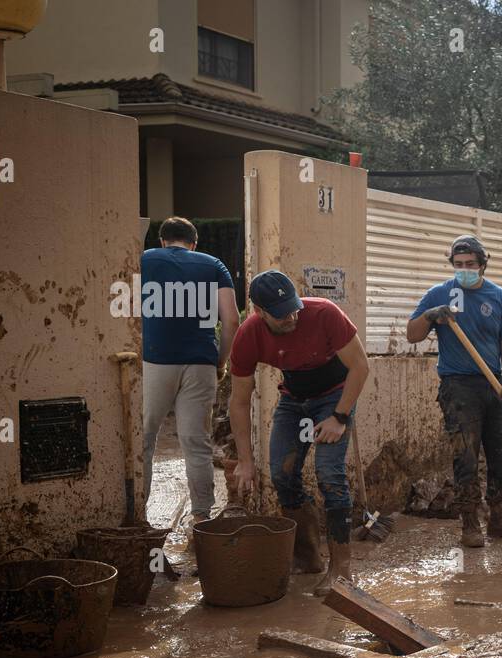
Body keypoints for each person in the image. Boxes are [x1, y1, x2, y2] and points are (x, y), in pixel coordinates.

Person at [229, 270, 370, 595]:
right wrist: (245, 461)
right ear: (259, 312)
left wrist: (339, 416)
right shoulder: (249, 335)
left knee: (329, 474)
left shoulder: (323, 313)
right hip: (294, 400)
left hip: (336, 396)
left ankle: (341, 570)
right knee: (282, 473)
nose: (292, 317)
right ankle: (308, 558)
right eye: (281, 314)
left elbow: (360, 366)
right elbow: (238, 402)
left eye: (294, 308)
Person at [407, 236, 502, 547]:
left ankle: (500, 518)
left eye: (471, 265)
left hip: (494, 385)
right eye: (458, 265)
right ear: (452, 264)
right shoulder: (439, 294)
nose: (464, 270)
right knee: (464, 454)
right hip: (458, 387)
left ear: (482, 265)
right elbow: (412, 335)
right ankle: (469, 523)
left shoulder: (499, 297)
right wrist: (429, 316)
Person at [140, 216, 239, 524]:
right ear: (194, 243)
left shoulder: (144, 260)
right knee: (196, 442)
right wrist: (220, 362)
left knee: (144, 438)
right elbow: (232, 320)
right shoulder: (213, 265)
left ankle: (137, 517)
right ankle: (200, 518)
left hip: (154, 361)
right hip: (200, 363)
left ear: (162, 241)